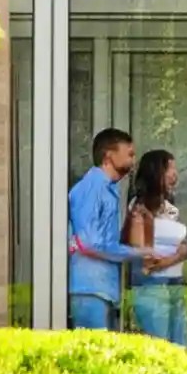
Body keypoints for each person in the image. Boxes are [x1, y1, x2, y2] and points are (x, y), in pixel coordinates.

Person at [67, 128, 153, 330]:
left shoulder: (108, 188)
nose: (133, 161)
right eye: (129, 154)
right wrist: (137, 253)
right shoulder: (92, 186)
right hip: (90, 288)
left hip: (103, 288)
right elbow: (89, 243)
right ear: (109, 155)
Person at [125, 149, 187, 347]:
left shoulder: (170, 209)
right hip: (152, 287)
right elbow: (146, 261)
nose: (174, 174)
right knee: (160, 349)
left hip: (176, 285)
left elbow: (179, 247)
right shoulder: (139, 210)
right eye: (168, 168)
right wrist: (180, 255)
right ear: (155, 173)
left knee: (182, 351)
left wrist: (184, 251)